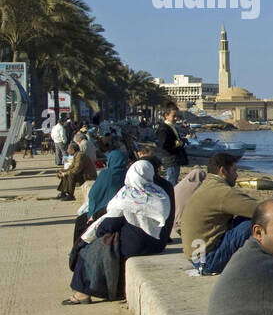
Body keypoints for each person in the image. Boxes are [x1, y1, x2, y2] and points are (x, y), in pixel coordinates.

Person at [64, 158, 175, 304]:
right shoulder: (159, 193)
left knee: (89, 250)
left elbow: (110, 223)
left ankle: (82, 293)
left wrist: (89, 237)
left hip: (136, 245)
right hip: (157, 243)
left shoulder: (128, 195)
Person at [181, 152, 262, 275]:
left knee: (246, 218)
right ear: (223, 171)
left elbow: (245, 205)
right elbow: (260, 209)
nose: (237, 175)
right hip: (207, 261)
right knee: (257, 221)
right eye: (234, 170)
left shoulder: (209, 186)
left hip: (199, 257)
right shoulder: (221, 192)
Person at [155, 106, 187, 185]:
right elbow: (164, 144)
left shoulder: (171, 127)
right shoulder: (163, 128)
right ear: (166, 115)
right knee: (171, 182)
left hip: (174, 159)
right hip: (170, 159)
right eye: (174, 116)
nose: (176, 118)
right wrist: (177, 143)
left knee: (173, 180)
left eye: (177, 116)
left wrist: (181, 141)